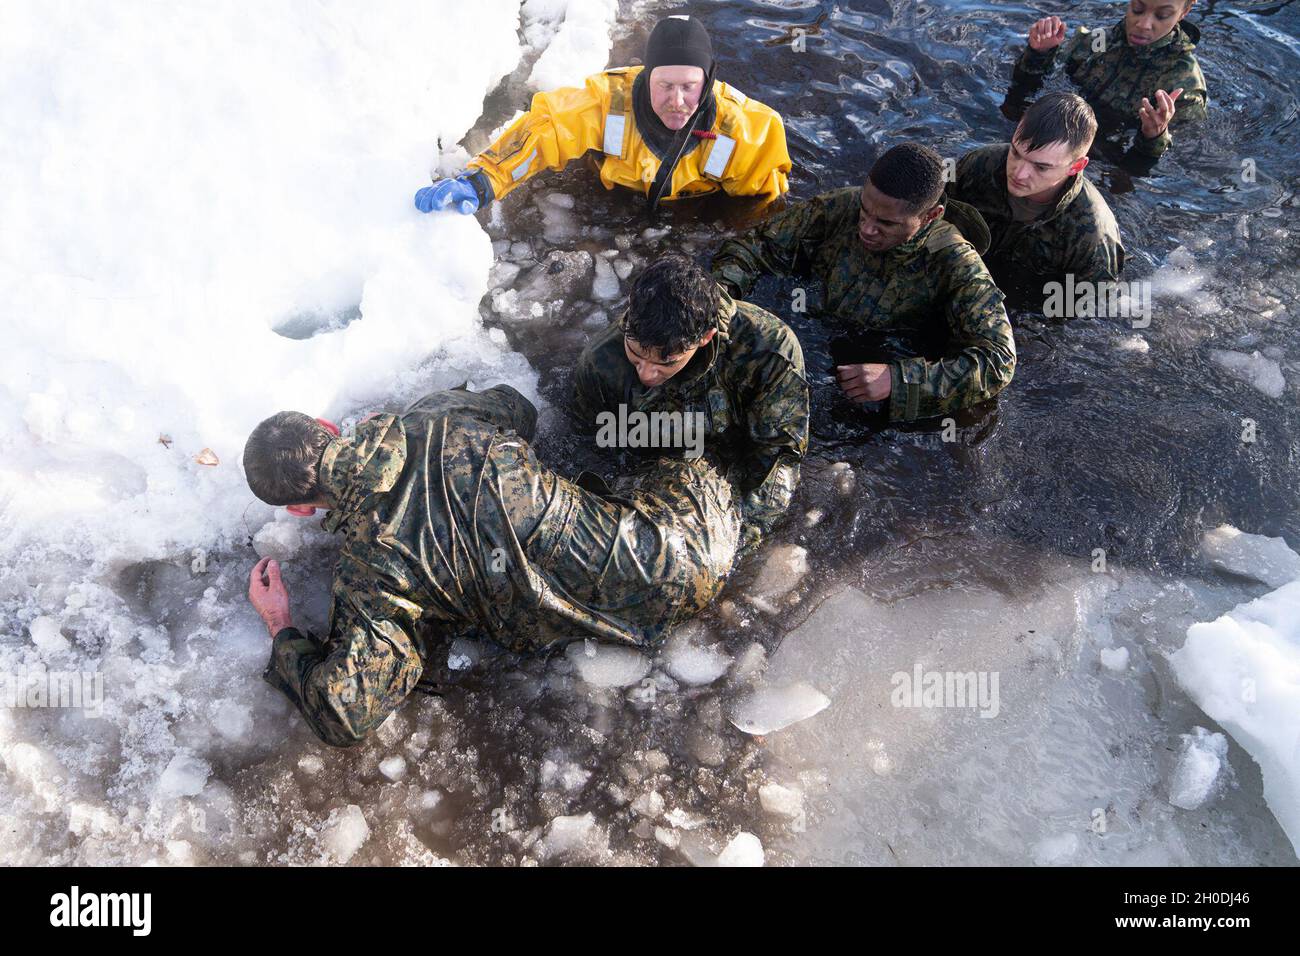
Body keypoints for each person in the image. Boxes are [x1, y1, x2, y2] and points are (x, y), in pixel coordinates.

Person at [243, 385, 739, 747]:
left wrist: (279, 624)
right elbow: (518, 409)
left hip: (655, 605)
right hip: (696, 527)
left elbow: (345, 712)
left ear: (301, 509)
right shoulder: (437, 414)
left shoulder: (370, 572)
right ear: (328, 429)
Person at [712, 143, 1016, 423]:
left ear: (930, 216)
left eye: (886, 224)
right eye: (865, 212)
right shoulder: (842, 206)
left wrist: (898, 381)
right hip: (815, 332)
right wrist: (720, 300)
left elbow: (998, 361)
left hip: (886, 364)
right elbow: (755, 246)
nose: (867, 229)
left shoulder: (956, 263)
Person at [413, 15, 792, 214]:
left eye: (689, 86)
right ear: (646, 74)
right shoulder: (607, 102)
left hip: (695, 211)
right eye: (665, 85)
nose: (676, 100)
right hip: (613, 195)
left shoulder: (748, 130)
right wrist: (483, 181)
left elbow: (760, 208)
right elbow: (544, 131)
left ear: (708, 80)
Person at [571, 252, 808, 559]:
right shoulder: (601, 360)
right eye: (636, 355)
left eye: (665, 362)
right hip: (653, 456)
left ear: (705, 338)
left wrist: (740, 541)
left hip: (733, 455)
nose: (645, 373)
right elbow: (589, 441)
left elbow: (777, 459)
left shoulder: (768, 352)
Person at [946, 92, 1125, 298]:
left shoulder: (1094, 234)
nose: (1019, 174)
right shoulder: (979, 164)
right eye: (1015, 153)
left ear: (1076, 166)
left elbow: (1085, 308)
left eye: (1041, 167)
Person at [1011, 1, 1208, 160]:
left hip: (1110, 158)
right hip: (1058, 136)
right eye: (1137, 9)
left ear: (1185, 11)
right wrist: (1040, 53)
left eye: (1162, 15)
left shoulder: (1185, 85)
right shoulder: (1100, 40)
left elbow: (1173, 159)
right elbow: (1028, 85)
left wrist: (1155, 134)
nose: (1143, 24)